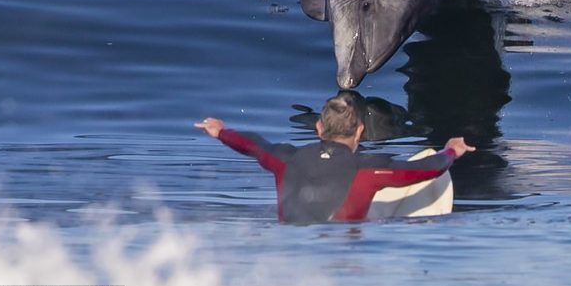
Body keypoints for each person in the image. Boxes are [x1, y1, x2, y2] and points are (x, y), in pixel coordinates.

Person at [195, 92, 475, 224]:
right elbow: (427, 169)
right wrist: (451, 150)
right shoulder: (368, 168)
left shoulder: (284, 159)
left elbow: (253, 145)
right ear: (360, 131)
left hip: (290, 255)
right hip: (340, 265)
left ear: (318, 128)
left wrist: (221, 132)